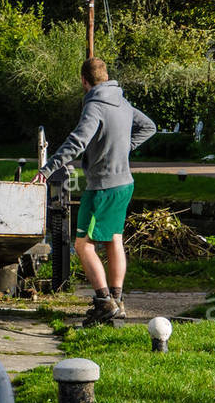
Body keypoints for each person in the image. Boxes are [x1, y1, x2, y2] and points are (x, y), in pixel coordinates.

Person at [32, 58, 156, 325]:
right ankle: (118, 301)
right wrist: (124, 148)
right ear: (107, 76)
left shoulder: (94, 106)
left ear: (84, 81)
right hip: (125, 183)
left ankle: (103, 302)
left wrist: (46, 170)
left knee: (83, 245)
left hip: (101, 187)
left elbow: (77, 142)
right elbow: (149, 127)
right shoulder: (122, 102)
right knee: (114, 239)